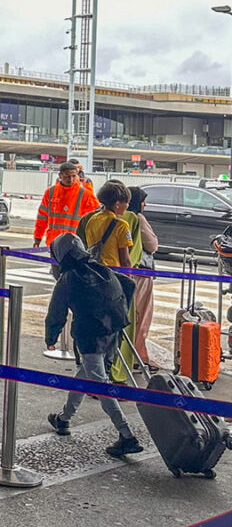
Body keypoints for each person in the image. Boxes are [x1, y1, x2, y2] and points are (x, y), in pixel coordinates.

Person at [45, 233, 143, 459]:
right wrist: (117, 312)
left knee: (100, 384)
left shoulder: (68, 278)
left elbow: (56, 312)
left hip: (89, 335)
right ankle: (64, 418)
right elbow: (128, 284)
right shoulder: (102, 269)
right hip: (112, 330)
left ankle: (126, 434)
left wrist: (51, 336)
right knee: (85, 375)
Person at [33, 160, 99, 249]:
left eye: (73, 176)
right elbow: (42, 217)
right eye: (67, 176)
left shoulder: (85, 194)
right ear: (60, 176)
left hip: (76, 244)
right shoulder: (51, 192)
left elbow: (96, 218)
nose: (71, 179)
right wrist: (37, 238)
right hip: (55, 242)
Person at [128, 186, 159, 367]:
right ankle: (138, 357)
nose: (145, 204)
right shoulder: (137, 218)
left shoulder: (117, 216)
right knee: (141, 316)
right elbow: (152, 244)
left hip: (124, 271)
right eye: (142, 201)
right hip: (141, 272)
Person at [85, 180, 133, 269]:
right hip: (112, 272)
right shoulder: (121, 225)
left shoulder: (92, 219)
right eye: (126, 202)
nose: (128, 205)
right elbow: (125, 260)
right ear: (117, 204)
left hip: (94, 269)